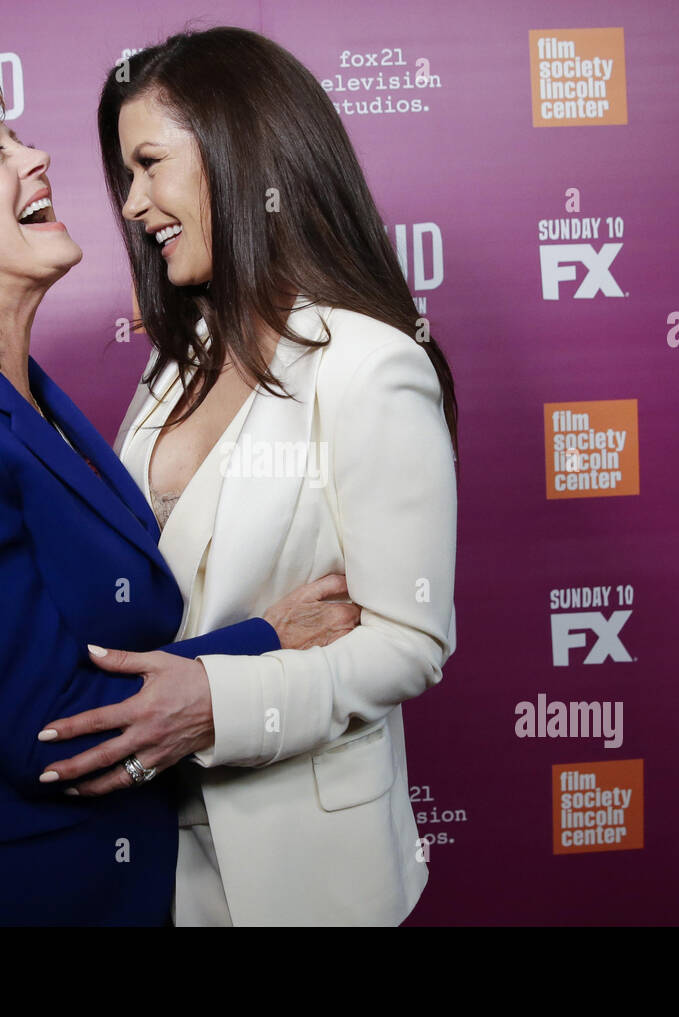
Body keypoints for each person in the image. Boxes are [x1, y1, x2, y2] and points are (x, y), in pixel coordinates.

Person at [0, 73, 357, 926]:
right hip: (4, 900)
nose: (38, 154)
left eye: (17, 139)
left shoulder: (25, 401)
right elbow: (50, 730)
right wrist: (270, 641)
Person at [40, 27, 459, 926]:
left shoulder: (368, 365)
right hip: (154, 857)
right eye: (126, 176)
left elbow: (409, 641)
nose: (132, 204)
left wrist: (218, 702)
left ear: (239, 150)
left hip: (309, 881)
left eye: (150, 163)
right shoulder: (175, 362)